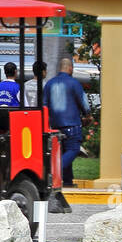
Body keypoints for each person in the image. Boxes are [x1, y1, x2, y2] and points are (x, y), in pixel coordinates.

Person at [43, 58, 89, 187]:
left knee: (63, 151)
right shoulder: (74, 83)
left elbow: (44, 105)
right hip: (72, 124)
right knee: (73, 149)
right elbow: (84, 104)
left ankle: (68, 181)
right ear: (70, 68)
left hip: (55, 126)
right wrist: (88, 116)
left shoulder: (49, 84)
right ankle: (54, 169)